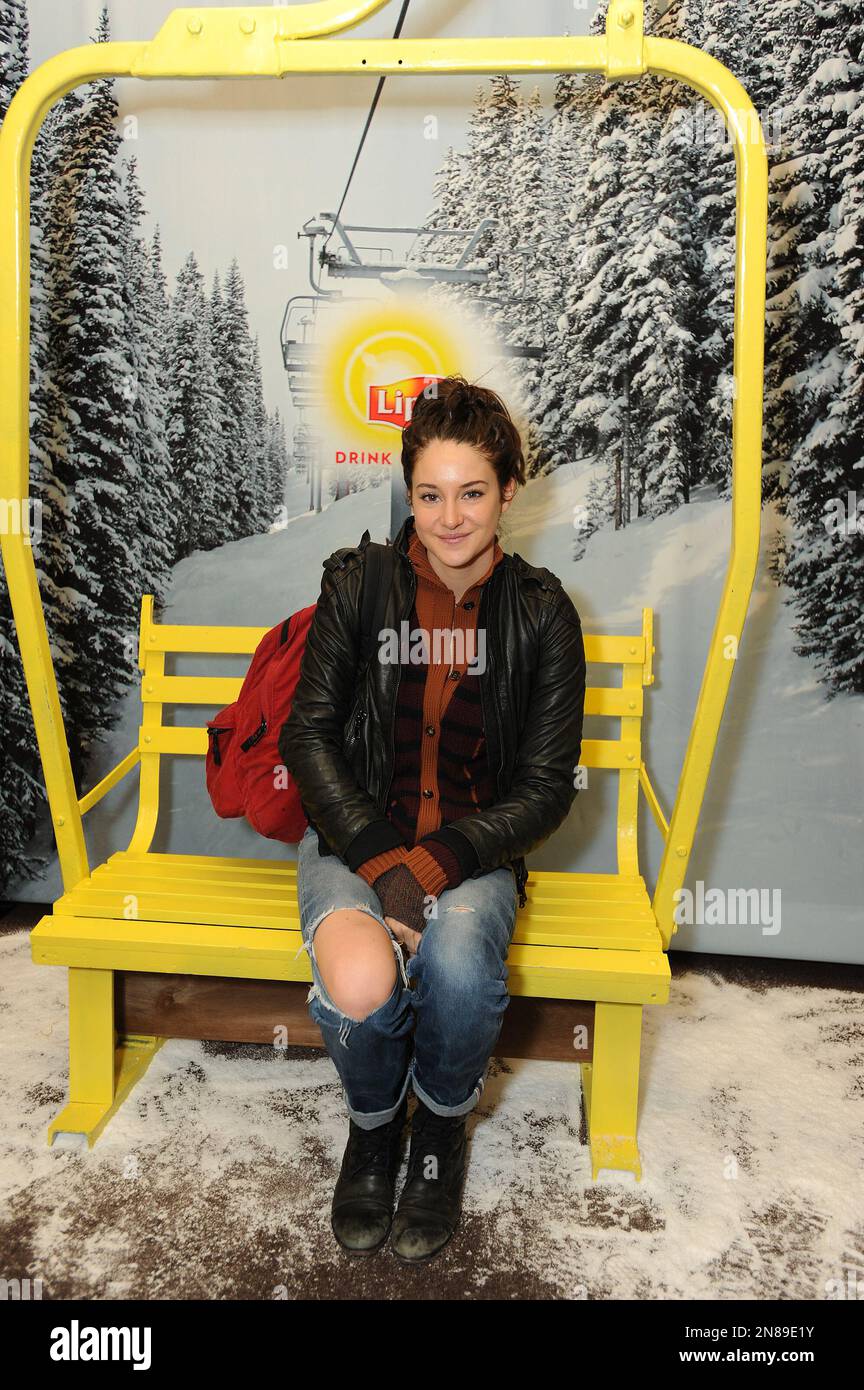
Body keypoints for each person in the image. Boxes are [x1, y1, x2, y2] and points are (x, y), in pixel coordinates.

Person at [279, 375, 586, 1263]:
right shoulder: (359, 584)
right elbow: (309, 739)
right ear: (407, 491)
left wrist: (442, 860)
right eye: (429, 494)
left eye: (473, 493)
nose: (449, 517)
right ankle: (376, 1125)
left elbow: (545, 787)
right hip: (353, 837)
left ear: (508, 494)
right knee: (364, 987)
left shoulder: (540, 613)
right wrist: (382, 859)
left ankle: (441, 1129)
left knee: (456, 968)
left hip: (475, 850)